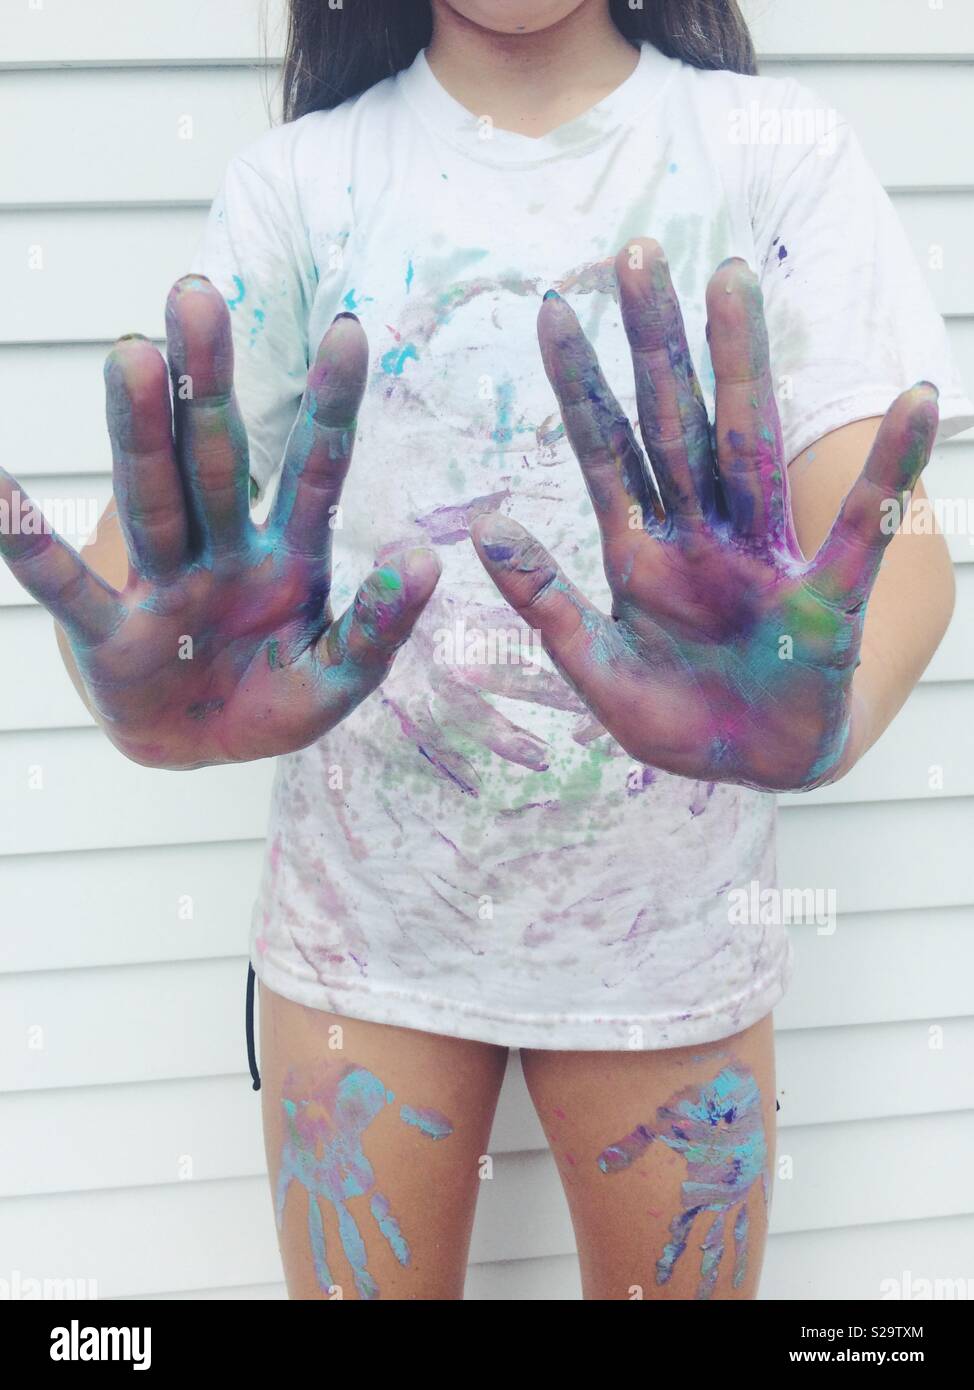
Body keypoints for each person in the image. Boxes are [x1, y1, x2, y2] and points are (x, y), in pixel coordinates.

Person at [2, 0, 970, 1300]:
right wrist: (136, 684)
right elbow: (137, 585)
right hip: (362, 936)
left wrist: (829, 711)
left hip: (668, 941)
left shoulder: (771, 151)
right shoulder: (299, 183)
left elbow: (890, 541)